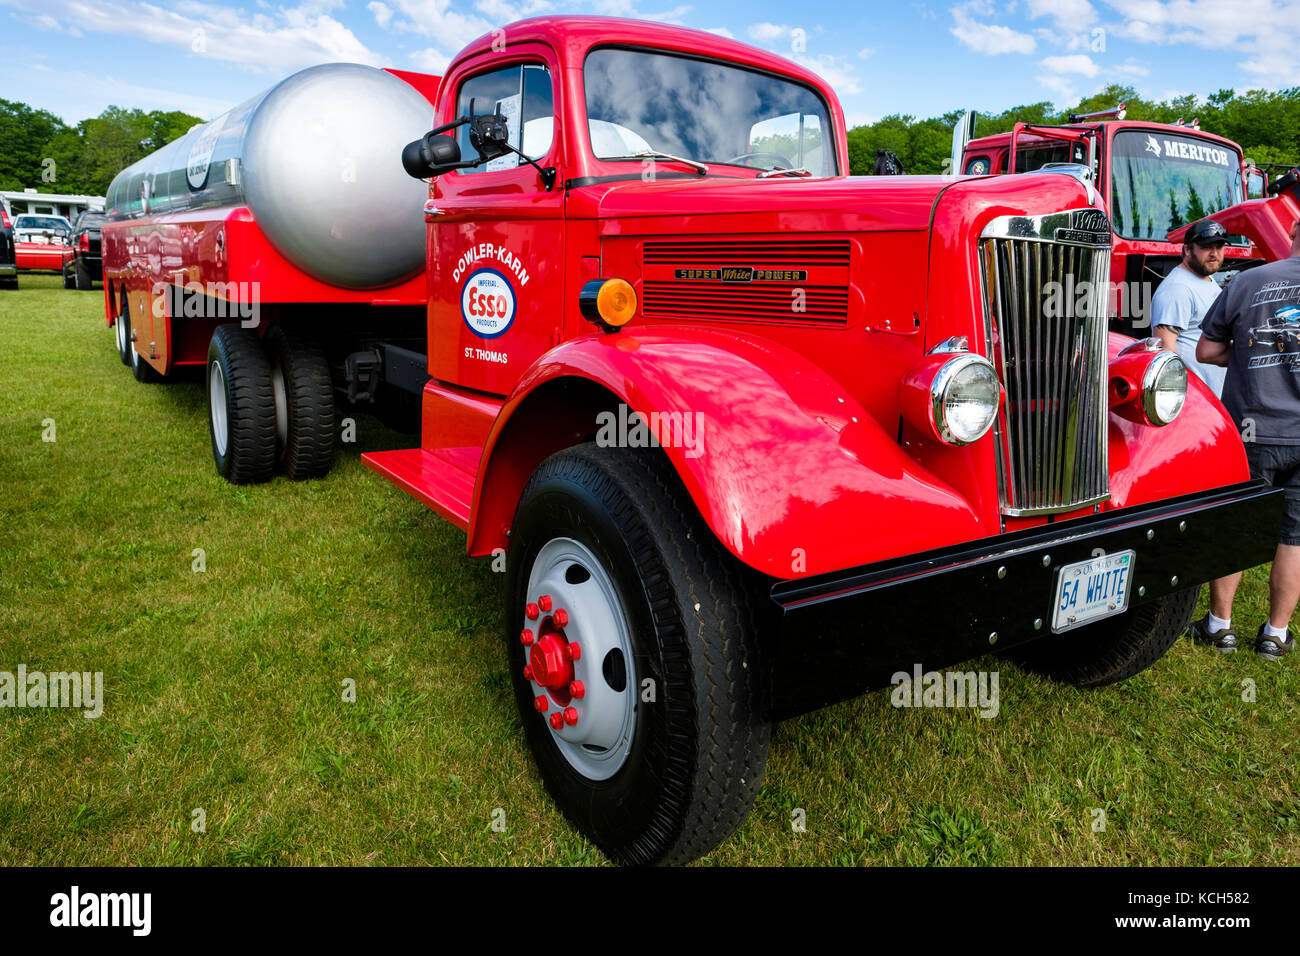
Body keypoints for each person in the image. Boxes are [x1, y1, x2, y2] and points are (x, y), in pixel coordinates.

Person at [1190, 217, 1300, 660]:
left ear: (1292, 235)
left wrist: (1255, 346)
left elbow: (1206, 351)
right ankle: (1275, 634)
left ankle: (1220, 628)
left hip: (1251, 431)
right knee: (1293, 539)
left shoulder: (1248, 279)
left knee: (1236, 528)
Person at [1150, 218, 1229, 396]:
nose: (1214, 253)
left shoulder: (1207, 281)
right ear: (1186, 249)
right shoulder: (1177, 288)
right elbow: (1165, 349)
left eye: (1219, 247)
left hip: (1213, 399)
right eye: (1207, 247)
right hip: (1194, 400)